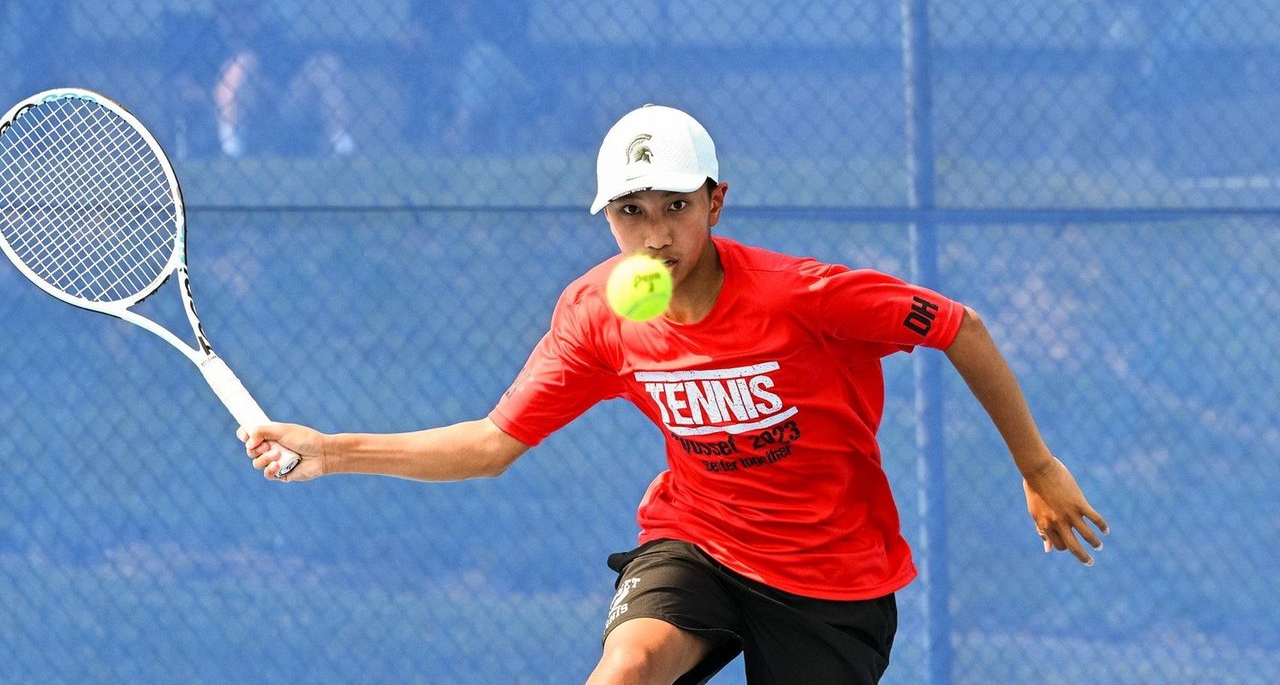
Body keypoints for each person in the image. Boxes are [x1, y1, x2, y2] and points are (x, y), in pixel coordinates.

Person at [242, 104, 1109, 684]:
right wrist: (331, 451)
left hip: (834, 576)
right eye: (630, 211)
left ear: (715, 201)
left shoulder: (804, 297)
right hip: (700, 543)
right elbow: (491, 444)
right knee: (624, 670)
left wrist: (1037, 466)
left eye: (673, 206)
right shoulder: (598, 316)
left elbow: (959, 325)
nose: (653, 235)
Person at [165, 0, 356, 159]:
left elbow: (286, 81)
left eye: (252, 7)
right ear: (220, 10)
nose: (245, 15)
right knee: (243, 64)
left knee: (327, 64)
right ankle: (233, 152)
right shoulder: (203, 38)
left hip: (274, 114)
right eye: (236, 8)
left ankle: (343, 147)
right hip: (216, 114)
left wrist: (260, 88)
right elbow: (183, 88)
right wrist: (228, 91)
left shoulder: (271, 36)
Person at [401, 0, 536, 153]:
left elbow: (507, 49)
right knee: (464, 66)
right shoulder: (430, 0)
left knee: (483, 56)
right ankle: (453, 137)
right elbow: (418, 41)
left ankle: (457, 134)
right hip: (451, 73)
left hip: (507, 76)